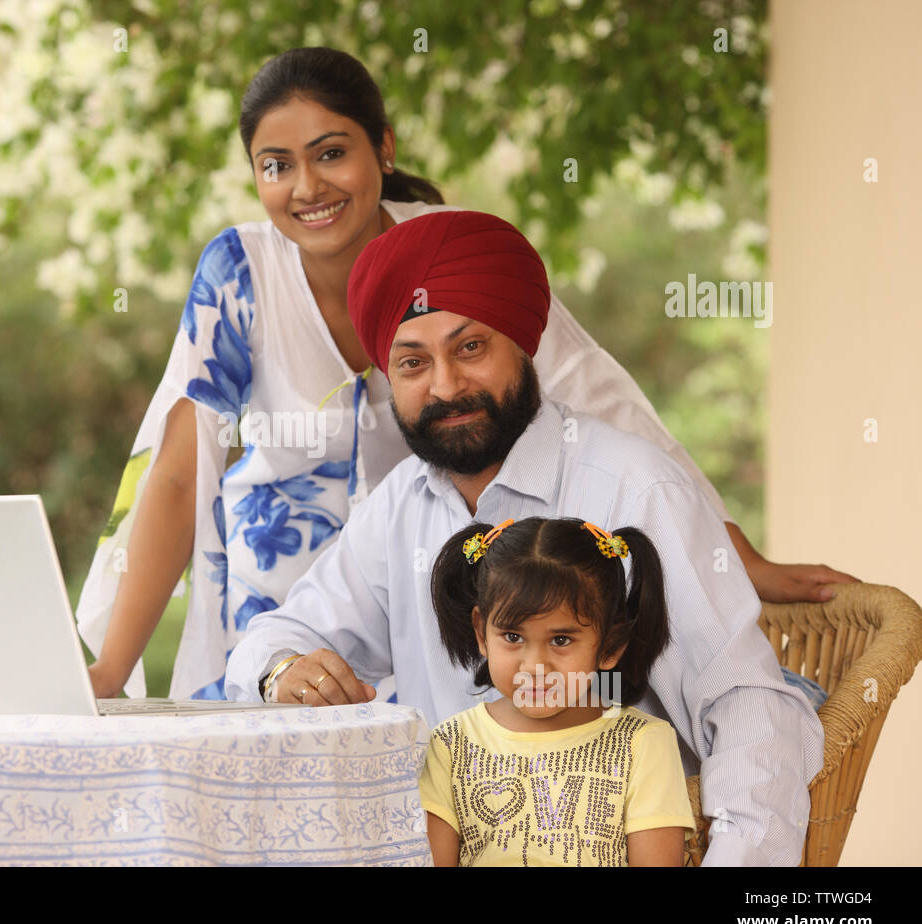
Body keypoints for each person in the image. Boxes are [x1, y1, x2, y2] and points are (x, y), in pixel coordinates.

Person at [76, 46, 855, 702]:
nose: (307, 187)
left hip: (422, 604)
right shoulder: (239, 273)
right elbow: (179, 477)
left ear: (383, 147)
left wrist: (733, 554)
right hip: (273, 620)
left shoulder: (447, 256)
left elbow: (604, 401)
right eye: (275, 165)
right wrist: (111, 674)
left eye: (331, 152)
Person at [225, 209, 824, 866]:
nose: (446, 385)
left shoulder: (635, 487)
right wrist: (285, 673)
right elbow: (272, 638)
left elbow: (748, 703)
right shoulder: (401, 502)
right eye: (413, 362)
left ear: (523, 341)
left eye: (470, 348)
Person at [420, 516, 696, 867]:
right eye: (513, 637)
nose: (535, 665)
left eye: (561, 640)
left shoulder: (644, 744)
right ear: (481, 632)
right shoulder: (449, 746)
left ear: (610, 645)